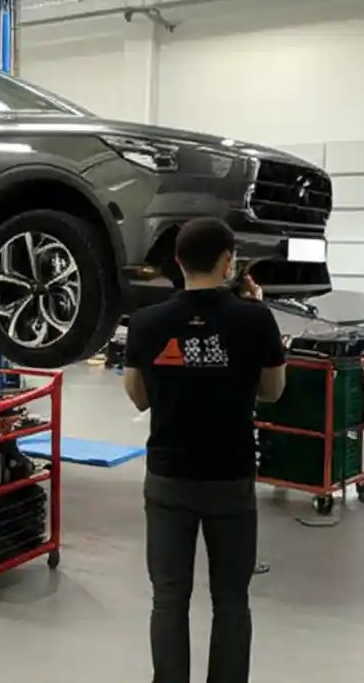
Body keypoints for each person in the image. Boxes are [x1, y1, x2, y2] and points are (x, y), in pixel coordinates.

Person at [122, 217, 287, 683]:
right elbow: (273, 390)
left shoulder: (148, 321)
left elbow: (137, 394)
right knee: (232, 600)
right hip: (230, 477)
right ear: (229, 261)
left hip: (169, 476)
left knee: (169, 599)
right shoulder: (255, 317)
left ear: (178, 262)